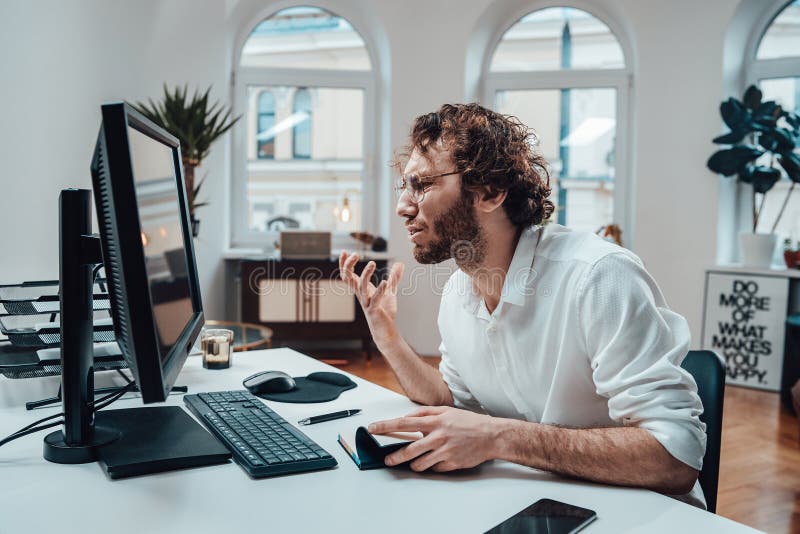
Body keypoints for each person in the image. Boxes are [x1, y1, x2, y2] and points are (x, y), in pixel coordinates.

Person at [339, 103, 706, 507]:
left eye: (422, 185)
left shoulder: (598, 276)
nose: (403, 206)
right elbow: (451, 401)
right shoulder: (460, 291)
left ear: (491, 192)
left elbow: (675, 459)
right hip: (538, 501)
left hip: (642, 513)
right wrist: (386, 334)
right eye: (404, 187)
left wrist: (499, 437)